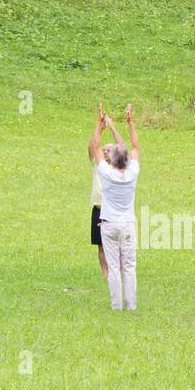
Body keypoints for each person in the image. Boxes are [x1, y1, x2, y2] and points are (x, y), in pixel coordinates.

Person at [92, 103, 140, 310]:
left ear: (111, 160)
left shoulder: (107, 172)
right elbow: (135, 147)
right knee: (128, 266)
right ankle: (130, 305)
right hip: (127, 224)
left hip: (109, 223)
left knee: (113, 267)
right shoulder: (132, 173)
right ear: (126, 161)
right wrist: (129, 123)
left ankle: (116, 306)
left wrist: (99, 125)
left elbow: (95, 147)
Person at [86, 108, 109, 281]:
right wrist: (98, 126)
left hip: (112, 210)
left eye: (109, 150)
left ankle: (118, 272)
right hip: (98, 209)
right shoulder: (98, 165)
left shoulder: (118, 167)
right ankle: (105, 274)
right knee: (100, 246)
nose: (105, 151)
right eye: (104, 150)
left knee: (115, 245)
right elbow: (93, 146)